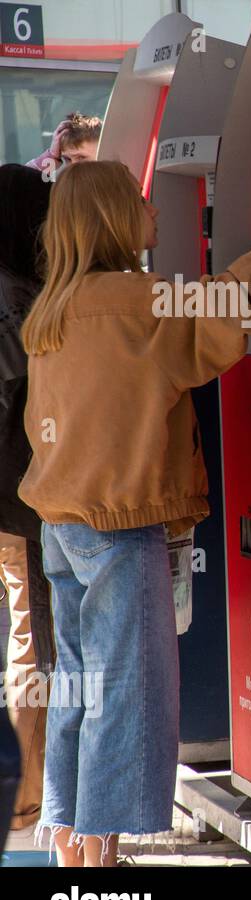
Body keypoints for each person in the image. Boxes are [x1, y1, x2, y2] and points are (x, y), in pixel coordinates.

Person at [19, 160, 251, 866]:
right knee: (128, 693)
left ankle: (70, 844)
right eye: (141, 200)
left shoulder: (58, 302)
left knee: (79, 689)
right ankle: (102, 857)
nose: (157, 208)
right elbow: (219, 309)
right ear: (114, 217)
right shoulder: (137, 301)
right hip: (119, 523)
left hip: (63, 521)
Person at [0, 163, 55, 834]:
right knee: (34, 646)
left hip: (11, 507)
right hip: (22, 504)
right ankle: (26, 797)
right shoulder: (21, 301)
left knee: (22, 636)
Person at [26, 113, 102, 180]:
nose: (71, 167)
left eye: (81, 158)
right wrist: (52, 156)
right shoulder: (68, 188)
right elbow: (21, 182)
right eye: (67, 159)